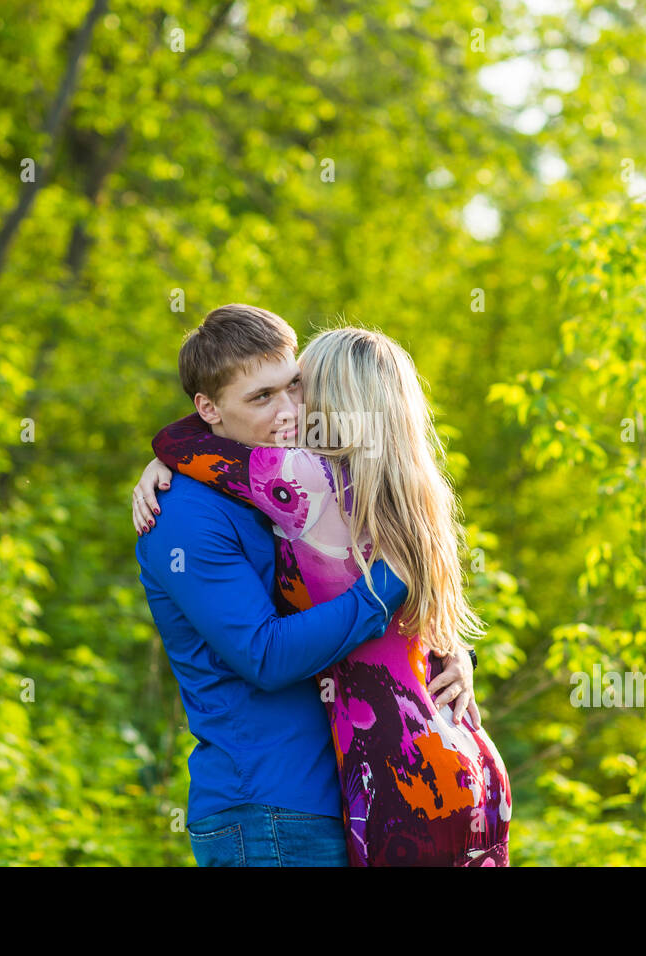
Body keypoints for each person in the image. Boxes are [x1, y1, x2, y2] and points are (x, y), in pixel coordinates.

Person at [140, 317, 510, 866]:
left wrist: (451, 651)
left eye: (296, 387)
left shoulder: (310, 487)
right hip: (268, 807)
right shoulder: (187, 513)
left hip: (368, 790)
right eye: (262, 397)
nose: (288, 409)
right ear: (208, 407)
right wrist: (391, 587)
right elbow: (265, 655)